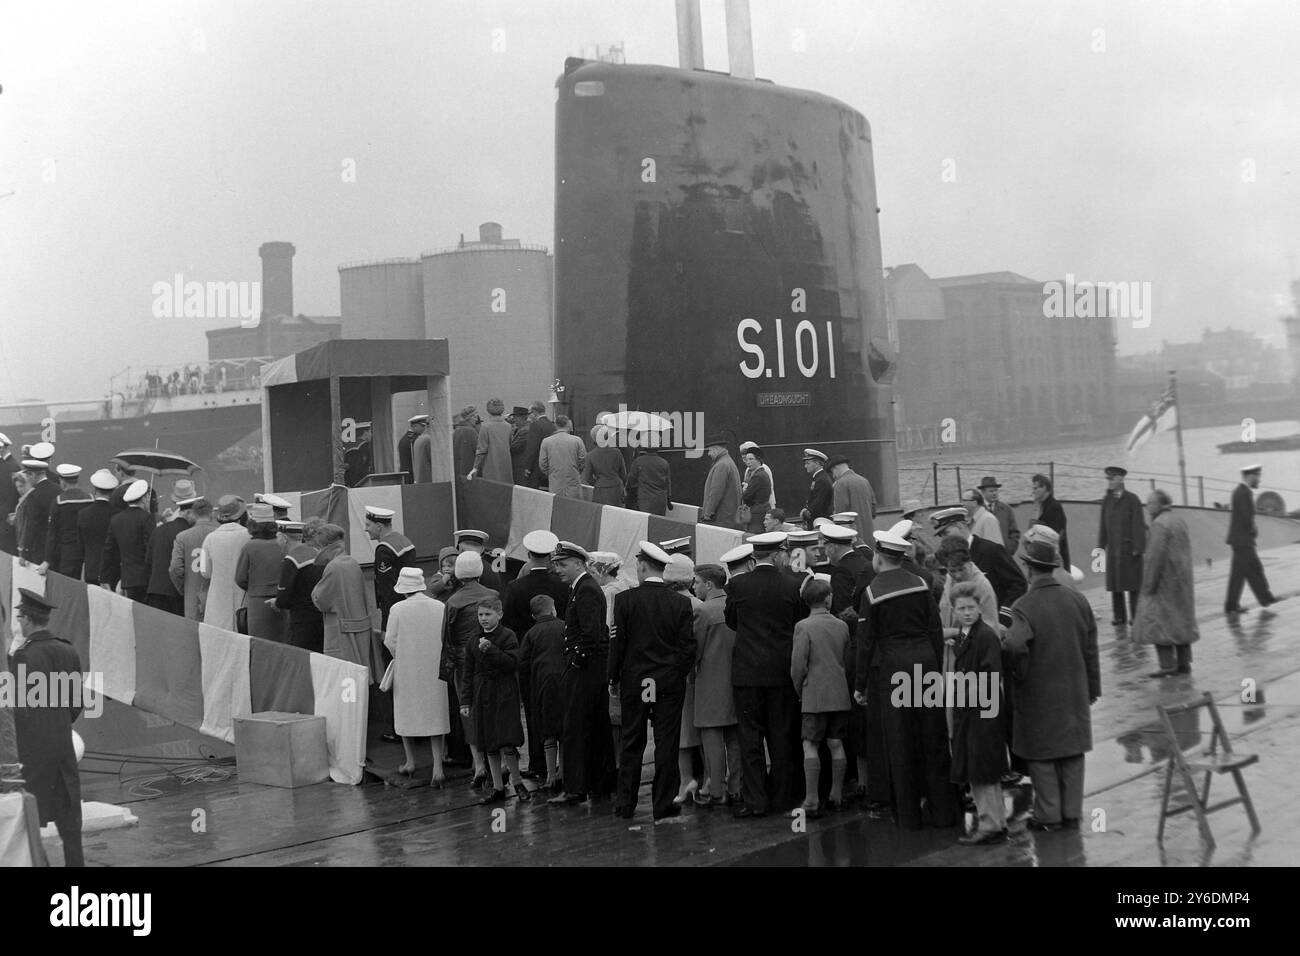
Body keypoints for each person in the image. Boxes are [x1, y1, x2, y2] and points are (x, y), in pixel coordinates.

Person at [852, 528, 958, 830]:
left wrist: (861, 686)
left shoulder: (872, 592)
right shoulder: (921, 584)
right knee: (933, 739)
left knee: (900, 744)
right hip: (925, 664)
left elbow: (866, 642)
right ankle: (944, 813)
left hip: (893, 668)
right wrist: (935, 668)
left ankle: (909, 817)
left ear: (879, 557)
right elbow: (935, 630)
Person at [1003, 525, 1099, 831]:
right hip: (1075, 690)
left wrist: (1017, 673)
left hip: (1039, 693)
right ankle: (1071, 813)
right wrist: (1092, 688)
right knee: (1072, 753)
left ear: (1030, 570)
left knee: (1042, 756)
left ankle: (1048, 815)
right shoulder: (1077, 600)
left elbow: (1015, 646)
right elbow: (1091, 649)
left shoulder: (1024, 606)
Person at [609, 541, 695, 820]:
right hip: (668, 683)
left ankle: (625, 804)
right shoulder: (680, 603)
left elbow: (618, 644)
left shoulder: (624, 600)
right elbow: (687, 648)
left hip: (635, 680)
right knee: (666, 742)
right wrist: (675, 674)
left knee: (632, 741)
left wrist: (613, 676)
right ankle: (663, 803)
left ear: (643, 566)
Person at [725, 531, 809, 817]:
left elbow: (732, 621)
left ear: (754, 556)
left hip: (747, 673)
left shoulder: (736, 586)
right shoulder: (791, 585)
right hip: (780, 673)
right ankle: (783, 798)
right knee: (781, 736)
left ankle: (756, 801)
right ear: (775, 554)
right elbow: (799, 622)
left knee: (750, 739)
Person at [7, 588, 84, 866]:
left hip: (33, 751)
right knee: (70, 822)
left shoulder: (23, 656)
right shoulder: (68, 650)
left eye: (19, 617)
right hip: (64, 747)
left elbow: (20, 710)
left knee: (30, 820)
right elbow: (77, 704)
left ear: (26, 619)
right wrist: (58, 724)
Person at [548, 541, 616, 806]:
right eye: (556, 565)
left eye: (563, 564)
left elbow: (590, 632)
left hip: (584, 669)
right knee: (597, 726)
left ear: (579, 564)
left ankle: (575, 788)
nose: (558, 570)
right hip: (591, 669)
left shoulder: (585, 590)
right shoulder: (584, 587)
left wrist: (576, 662)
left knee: (575, 728)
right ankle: (601, 784)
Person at [502, 529, 569, 778]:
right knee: (561, 708)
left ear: (529, 554)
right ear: (552, 556)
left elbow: (508, 623)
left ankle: (538, 763)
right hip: (559, 654)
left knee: (533, 709)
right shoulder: (562, 586)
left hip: (529, 657)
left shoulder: (516, 587)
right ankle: (562, 762)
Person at [947, 583, 1010, 845]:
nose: (967, 612)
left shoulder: (984, 636)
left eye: (971, 607)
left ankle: (989, 824)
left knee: (981, 772)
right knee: (986, 772)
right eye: (961, 608)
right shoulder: (967, 634)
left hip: (981, 714)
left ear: (979, 607)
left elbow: (992, 675)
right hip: (975, 713)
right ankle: (996, 822)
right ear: (954, 610)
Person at [791, 578, 851, 818]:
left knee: (810, 744)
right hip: (839, 693)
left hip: (813, 695)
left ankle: (812, 799)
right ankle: (836, 795)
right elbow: (845, 659)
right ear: (828, 599)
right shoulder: (842, 626)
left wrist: (799, 690)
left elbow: (798, 666)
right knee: (836, 743)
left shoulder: (803, 627)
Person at [385, 566, 449, 784]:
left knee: (405, 712)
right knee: (436, 713)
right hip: (435, 666)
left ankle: (410, 761)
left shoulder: (398, 609)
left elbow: (390, 641)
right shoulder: (439, 606)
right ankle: (438, 767)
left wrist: (401, 655)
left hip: (408, 667)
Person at [461, 596, 526, 805]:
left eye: (488, 614)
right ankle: (497, 786)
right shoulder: (473, 640)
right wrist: (465, 701)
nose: (483, 619)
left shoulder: (508, 636)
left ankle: (517, 782)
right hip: (483, 694)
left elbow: (512, 663)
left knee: (507, 741)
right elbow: (468, 672)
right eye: (480, 615)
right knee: (489, 742)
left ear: (499, 615)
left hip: (505, 693)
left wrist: (492, 650)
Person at [691, 561, 743, 808]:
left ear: (708, 584)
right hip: (736, 679)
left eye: (697, 582)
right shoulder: (734, 605)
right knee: (734, 738)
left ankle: (716, 790)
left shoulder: (703, 611)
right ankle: (736, 787)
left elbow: (695, 650)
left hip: (710, 681)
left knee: (712, 738)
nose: (694, 586)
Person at [444, 551, 498, 786]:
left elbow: (446, 638)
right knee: (495, 708)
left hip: (464, 664)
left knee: (468, 711)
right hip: (490, 659)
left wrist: (448, 665)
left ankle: (479, 765)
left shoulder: (453, 602)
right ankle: (501, 761)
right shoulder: (493, 595)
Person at [1133, 490, 1199, 677]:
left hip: (1164, 586)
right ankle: (1184, 664)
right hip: (1181, 583)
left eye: (1150, 503)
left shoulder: (1159, 525)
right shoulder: (1178, 520)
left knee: (1159, 626)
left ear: (1160, 504)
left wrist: (1148, 586)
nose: (1147, 507)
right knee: (1181, 625)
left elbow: (1155, 558)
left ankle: (1167, 666)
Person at [931, 507, 1026, 612]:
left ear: (960, 525)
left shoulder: (991, 550)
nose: (943, 539)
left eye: (946, 533)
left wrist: (1004, 614)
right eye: (941, 536)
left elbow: (1018, 584)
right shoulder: (945, 555)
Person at [518, 594, 568, 794]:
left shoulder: (531, 634)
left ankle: (550, 775)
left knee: (548, 733)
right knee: (564, 731)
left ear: (533, 615)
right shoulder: (565, 626)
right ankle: (563, 772)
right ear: (553, 609)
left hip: (542, 687)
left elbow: (523, 664)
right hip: (565, 684)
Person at [310, 523, 373, 673]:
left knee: (344, 674)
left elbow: (321, 600)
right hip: (359, 625)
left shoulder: (333, 567)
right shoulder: (351, 561)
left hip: (341, 630)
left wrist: (314, 592)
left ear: (324, 546)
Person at [1224, 463, 1278, 614]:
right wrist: (1254, 530)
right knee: (1250, 571)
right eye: (1258, 476)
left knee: (1244, 572)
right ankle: (1265, 599)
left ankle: (1236, 604)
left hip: (1240, 540)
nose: (1259, 480)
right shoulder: (1243, 493)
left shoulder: (1241, 491)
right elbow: (1246, 518)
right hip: (1243, 540)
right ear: (1251, 476)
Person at [1098, 465, 1146, 625]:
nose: (1109, 482)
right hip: (1113, 550)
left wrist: (1138, 548)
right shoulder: (1107, 500)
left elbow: (1138, 525)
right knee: (1115, 586)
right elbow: (1102, 526)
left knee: (1133, 586)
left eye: (1112, 479)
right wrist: (1100, 548)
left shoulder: (1133, 500)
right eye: (1108, 479)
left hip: (1129, 549)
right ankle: (1119, 616)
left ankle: (1136, 616)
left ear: (1120, 479)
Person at [235, 504, 289, 641]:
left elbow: (240, 578)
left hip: (257, 601)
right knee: (283, 641)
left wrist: (253, 587)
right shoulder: (282, 543)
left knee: (260, 642)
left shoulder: (249, 547)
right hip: (283, 599)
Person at [143, 480, 197, 615]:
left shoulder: (159, 530)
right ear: (189, 513)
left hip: (154, 592)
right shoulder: (188, 534)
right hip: (176, 595)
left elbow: (148, 562)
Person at [274, 518, 326, 652]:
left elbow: (283, 598)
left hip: (301, 619)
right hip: (321, 616)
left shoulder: (291, 560)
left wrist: (277, 602)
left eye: (277, 537)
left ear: (284, 538)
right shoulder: (317, 554)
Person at [201, 495, 249, 630]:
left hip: (217, 601)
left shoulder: (210, 539)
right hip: (244, 600)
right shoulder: (248, 536)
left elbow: (205, 572)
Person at [100, 479, 153, 601]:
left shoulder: (116, 519)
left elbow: (108, 550)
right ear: (144, 498)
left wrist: (104, 577)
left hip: (127, 578)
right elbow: (150, 549)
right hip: (146, 579)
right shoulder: (147, 518)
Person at [366, 506, 416, 630]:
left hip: (394, 609)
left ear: (379, 526)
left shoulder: (384, 550)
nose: (365, 529)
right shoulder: (405, 541)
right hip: (410, 602)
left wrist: (386, 625)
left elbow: (388, 588)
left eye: (368, 525)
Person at [39, 464, 92, 579]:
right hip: (88, 555)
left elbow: (52, 534)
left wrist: (47, 560)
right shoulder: (90, 499)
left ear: (62, 482)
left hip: (67, 555)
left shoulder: (58, 502)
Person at [170, 498, 217, 621]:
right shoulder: (219, 534)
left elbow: (175, 568)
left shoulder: (182, 537)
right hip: (216, 596)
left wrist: (183, 588)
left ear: (194, 514)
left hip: (192, 596)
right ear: (212, 513)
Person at [78, 470, 119, 586]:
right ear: (112, 491)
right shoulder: (117, 515)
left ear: (95, 489)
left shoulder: (83, 514)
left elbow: (80, 545)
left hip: (90, 568)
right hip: (112, 570)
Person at [17, 456, 59, 568]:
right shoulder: (58, 489)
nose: (27, 479)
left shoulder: (34, 496)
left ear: (33, 474)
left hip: (39, 549)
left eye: (27, 475)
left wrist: (25, 552)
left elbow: (31, 525)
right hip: (57, 548)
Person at [1029, 474, 1071, 571]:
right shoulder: (1041, 507)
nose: (1033, 491)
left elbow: (1055, 536)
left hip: (1053, 561)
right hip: (1042, 558)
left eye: (1035, 488)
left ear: (1044, 488)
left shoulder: (1054, 507)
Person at [828, 455, 876, 539]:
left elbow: (840, 513)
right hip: (869, 534)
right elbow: (873, 509)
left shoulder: (840, 483)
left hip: (852, 536)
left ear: (836, 468)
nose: (833, 476)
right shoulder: (864, 481)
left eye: (832, 472)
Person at [538, 415, 587, 498]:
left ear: (555, 425)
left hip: (555, 482)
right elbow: (583, 460)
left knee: (557, 507)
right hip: (573, 481)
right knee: (574, 507)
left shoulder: (546, 441)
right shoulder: (577, 440)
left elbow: (542, 464)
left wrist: (551, 473)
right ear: (568, 424)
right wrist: (576, 471)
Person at [700, 436, 742, 529]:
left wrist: (707, 514)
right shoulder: (728, 462)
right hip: (728, 517)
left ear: (716, 449)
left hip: (720, 518)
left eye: (710, 450)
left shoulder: (721, 465)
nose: (708, 454)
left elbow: (715, 492)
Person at [468, 398, 514, 483]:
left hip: (491, 465)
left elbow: (481, 450)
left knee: (492, 490)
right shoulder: (508, 426)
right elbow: (510, 444)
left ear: (488, 410)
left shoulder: (485, 427)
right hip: (506, 465)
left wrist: (476, 467)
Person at [583, 423, 627, 506]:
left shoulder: (590, 456)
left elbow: (588, 477)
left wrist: (598, 483)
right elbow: (623, 474)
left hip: (600, 489)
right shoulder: (617, 453)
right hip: (616, 487)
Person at [625, 446, 672, 515]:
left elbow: (631, 482)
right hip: (661, 502)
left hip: (645, 501)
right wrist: (669, 501)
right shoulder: (664, 463)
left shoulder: (638, 461)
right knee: (659, 523)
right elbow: (668, 484)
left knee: (645, 524)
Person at [977, 476, 1019, 551]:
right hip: (985, 555)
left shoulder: (1006, 509)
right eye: (991, 491)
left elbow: (1014, 531)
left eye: (996, 490)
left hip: (1004, 553)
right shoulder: (978, 510)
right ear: (983, 492)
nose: (994, 493)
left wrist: (1010, 548)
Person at [521, 401, 557, 489]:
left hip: (537, 466)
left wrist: (527, 467)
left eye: (530, 413)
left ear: (534, 412)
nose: (529, 416)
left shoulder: (535, 425)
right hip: (550, 464)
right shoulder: (552, 425)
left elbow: (532, 448)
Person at [738, 445, 772, 533]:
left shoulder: (757, 476)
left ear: (759, 460)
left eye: (751, 459)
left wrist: (745, 490)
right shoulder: (762, 473)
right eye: (747, 459)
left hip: (757, 514)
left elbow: (746, 496)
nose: (748, 462)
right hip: (761, 511)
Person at [798, 448, 833, 530]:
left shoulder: (821, 480)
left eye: (808, 463)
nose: (805, 466)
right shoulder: (819, 478)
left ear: (817, 463)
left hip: (819, 522)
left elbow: (818, 502)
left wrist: (806, 512)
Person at [0, 431, 18, 554]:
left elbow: (7, 496)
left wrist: (4, 515)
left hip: (5, 520)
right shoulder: (12, 465)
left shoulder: (8, 467)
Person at [452, 406, 479, 481]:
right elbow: (479, 452)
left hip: (458, 472)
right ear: (469, 418)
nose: (476, 419)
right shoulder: (472, 432)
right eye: (475, 417)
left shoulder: (456, 431)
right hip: (469, 473)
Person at [398, 414, 428, 480]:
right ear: (415, 426)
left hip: (407, 475)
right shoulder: (413, 440)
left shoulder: (406, 438)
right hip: (412, 476)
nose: (424, 428)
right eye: (423, 426)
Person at [344, 422, 373, 487]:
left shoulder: (349, 446)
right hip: (361, 482)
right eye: (370, 432)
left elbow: (347, 465)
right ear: (365, 433)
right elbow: (362, 465)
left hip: (349, 482)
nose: (371, 434)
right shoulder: (364, 446)